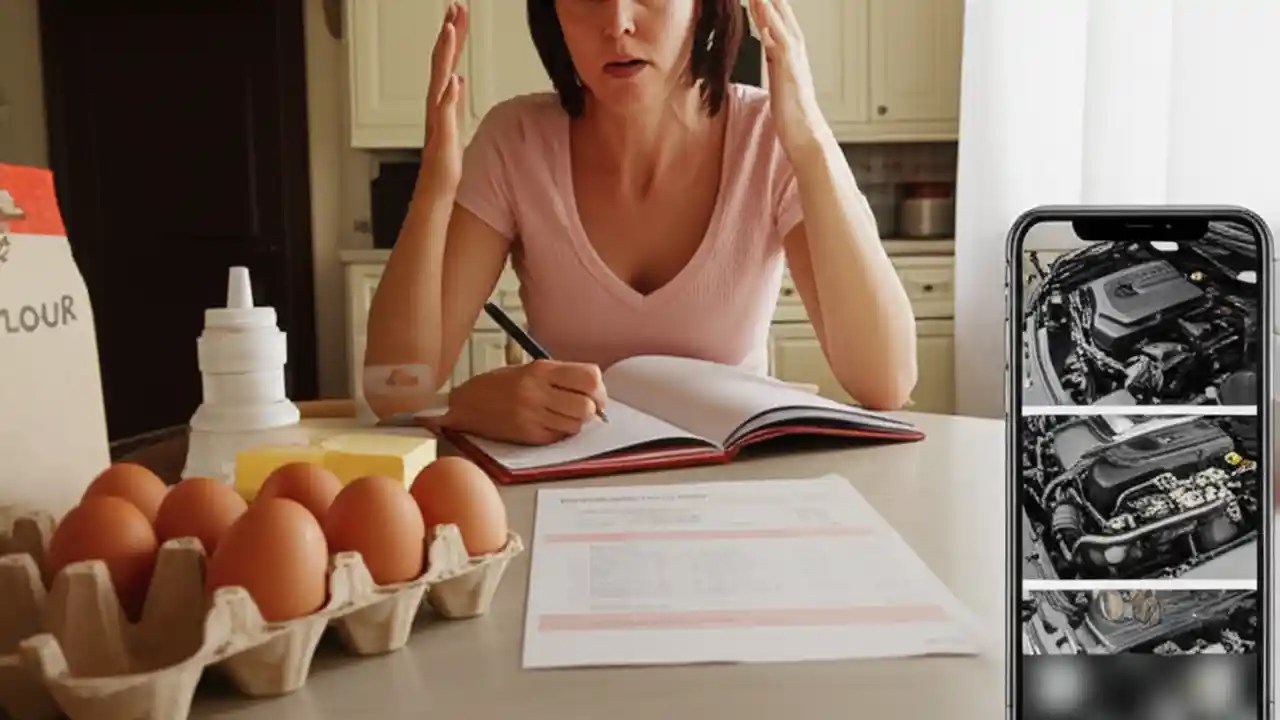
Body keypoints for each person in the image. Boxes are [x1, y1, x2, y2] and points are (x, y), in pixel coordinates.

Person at [363, 0, 917, 445]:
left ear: (702, 6)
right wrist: (436, 182)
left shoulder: (767, 138)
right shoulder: (515, 140)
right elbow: (396, 389)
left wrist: (812, 140)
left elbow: (886, 380)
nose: (618, 22)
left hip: (740, 488)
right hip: (570, 498)